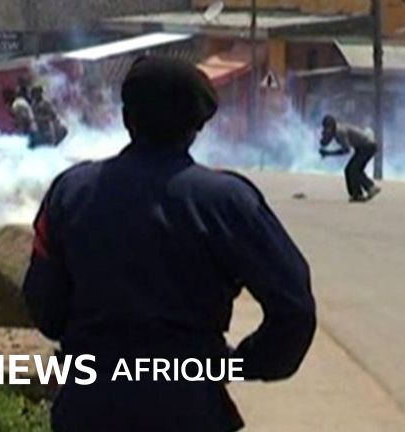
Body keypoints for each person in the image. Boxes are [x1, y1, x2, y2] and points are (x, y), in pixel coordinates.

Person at [23, 57, 316, 432]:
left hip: (90, 409)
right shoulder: (227, 200)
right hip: (190, 410)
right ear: (195, 128)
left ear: (127, 119)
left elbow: (44, 306)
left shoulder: (71, 191)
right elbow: (294, 307)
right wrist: (244, 363)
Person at [319, 115, 381, 202]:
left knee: (353, 170)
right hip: (362, 147)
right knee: (350, 170)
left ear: (333, 126)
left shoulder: (340, 132)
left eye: (328, 127)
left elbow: (346, 150)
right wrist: (324, 142)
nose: (327, 130)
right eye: (326, 128)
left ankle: (368, 188)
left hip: (368, 146)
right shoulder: (335, 131)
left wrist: (329, 153)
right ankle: (357, 194)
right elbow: (326, 141)